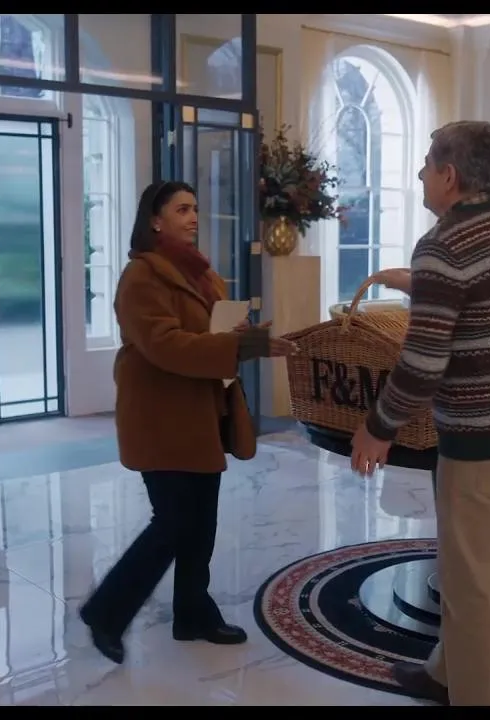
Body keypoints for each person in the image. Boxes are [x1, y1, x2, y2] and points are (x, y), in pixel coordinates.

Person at [351, 121, 490, 706]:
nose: (420, 174)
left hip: (483, 437)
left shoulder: (442, 246)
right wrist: (422, 284)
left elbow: (422, 366)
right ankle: (446, 672)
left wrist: (377, 427)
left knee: (468, 590)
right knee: (474, 564)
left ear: (449, 175)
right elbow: (484, 301)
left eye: (426, 164)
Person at [79, 180, 296, 664]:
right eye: (181, 209)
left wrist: (243, 336)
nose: (193, 217)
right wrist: (238, 345)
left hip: (201, 412)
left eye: (195, 208)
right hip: (161, 417)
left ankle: (193, 613)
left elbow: (210, 333)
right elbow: (165, 345)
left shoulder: (202, 274)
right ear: (155, 220)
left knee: (201, 524)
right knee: (174, 523)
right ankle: (106, 611)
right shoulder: (141, 277)